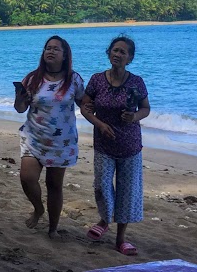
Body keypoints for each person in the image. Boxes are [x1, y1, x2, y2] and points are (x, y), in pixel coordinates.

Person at [80, 35, 150, 256]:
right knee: (101, 185)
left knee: (127, 192)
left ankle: (120, 239)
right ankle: (104, 219)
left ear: (130, 58)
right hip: (104, 144)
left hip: (130, 145)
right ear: (108, 53)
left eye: (123, 52)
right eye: (115, 50)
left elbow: (146, 108)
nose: (118, 54)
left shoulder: (136, 82)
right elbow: (85, 108)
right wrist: (99, 124)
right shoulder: (97, 80)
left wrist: (135, 116)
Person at [13, 35, 85, 238]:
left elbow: (85, 104)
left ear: (65, 55)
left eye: (55, 49)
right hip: (33, 137)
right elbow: (20, 109)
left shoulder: (74, 80)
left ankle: (53, 228)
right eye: (47, 48)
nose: (50, 51)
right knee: (27, 178)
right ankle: (38, 208)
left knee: (54, 185)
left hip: (61, 141)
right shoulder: (32, 79)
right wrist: (20, 99)